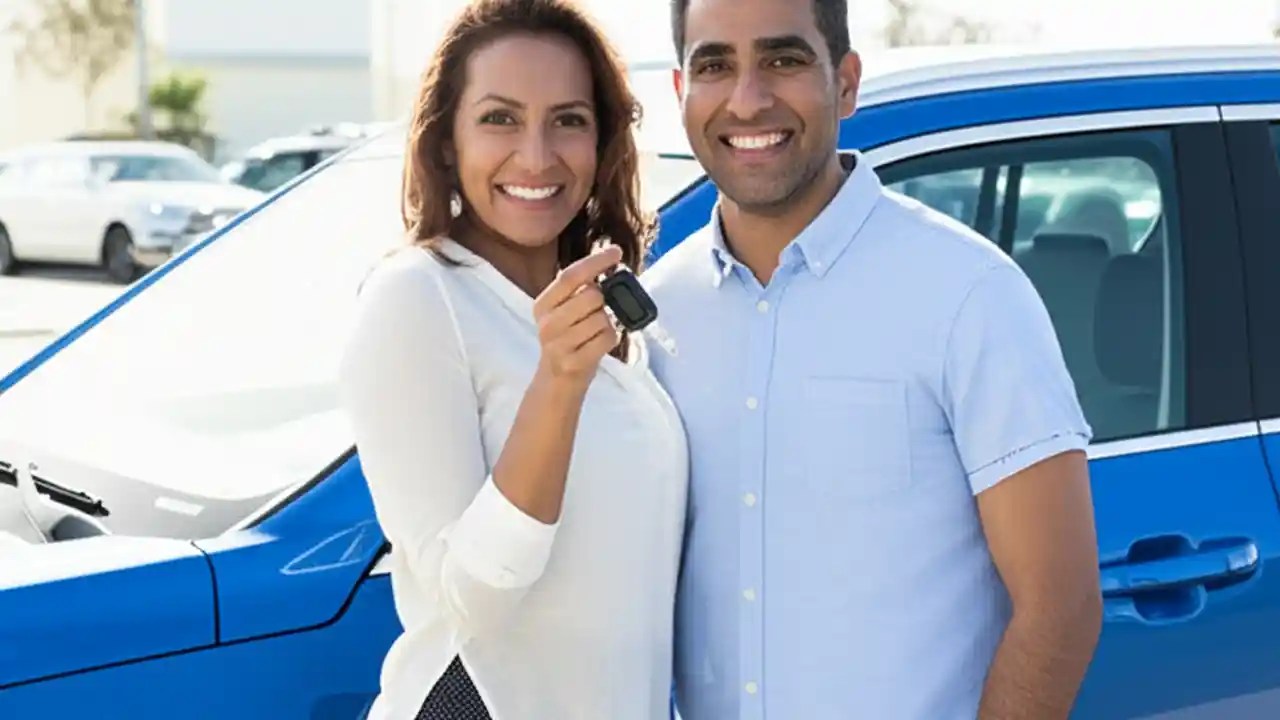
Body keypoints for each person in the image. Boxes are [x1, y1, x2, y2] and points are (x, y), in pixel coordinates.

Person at [643, 0, 1104, 718]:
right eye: (715, 66)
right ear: (681, 94)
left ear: (847, 82)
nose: (747, 97)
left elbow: (1062, 606)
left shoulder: (969, 294)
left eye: (784, 60)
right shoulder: (657, 314)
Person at [337, 1, 687, 718]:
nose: (536, 155)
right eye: (500, 118)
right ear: (445, 144)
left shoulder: (605, 303)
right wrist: (557, 384)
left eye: (568, 119)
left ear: (603, 141)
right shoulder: (418, 298)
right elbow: (472, 600)